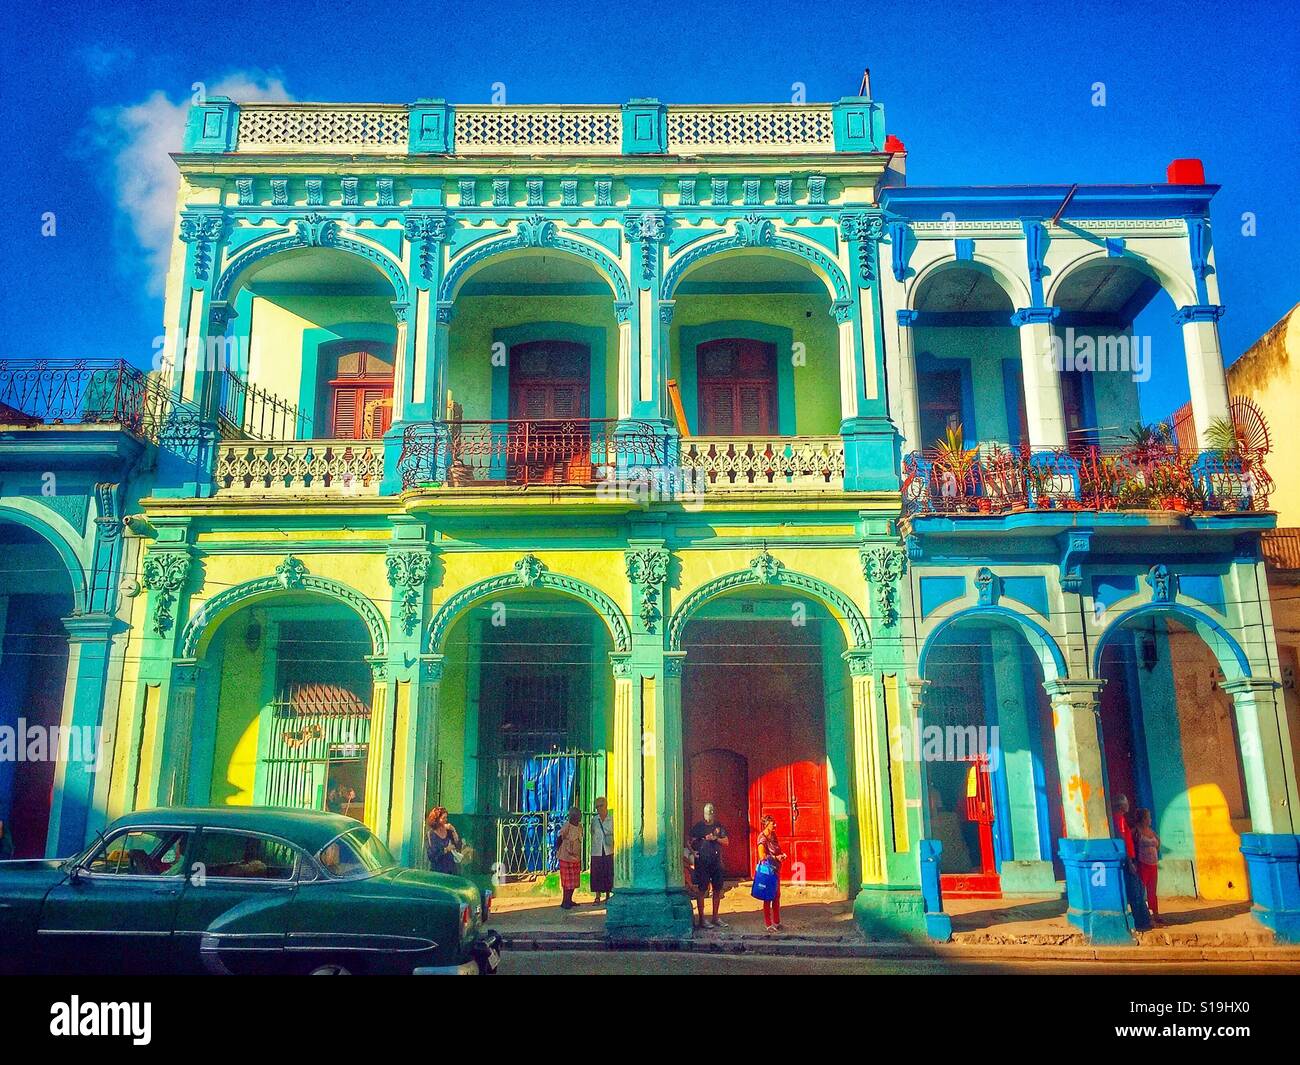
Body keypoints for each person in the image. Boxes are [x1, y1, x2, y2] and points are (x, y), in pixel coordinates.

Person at [1113, 795, 1152, 932]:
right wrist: (1130, 862)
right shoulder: (1120, 820)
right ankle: (1142, 922)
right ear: (1122, 806)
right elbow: (1123, 841)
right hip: (1128, 860)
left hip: (1128, 859)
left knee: (1136, 890)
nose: (1128, 805)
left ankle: (1143, 920)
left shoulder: (1120, 820)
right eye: (1126, 803)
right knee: (1136, 892)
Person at [688, 802, 729, 929]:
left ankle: (715, 917)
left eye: (711, 813)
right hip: (702, 862)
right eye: (707, 813)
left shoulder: (718, 827)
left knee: (717, 889)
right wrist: (693, 852)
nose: (709, 816)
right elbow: (688, 840)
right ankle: (702, 919)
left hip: (716, 862)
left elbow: (726, 841)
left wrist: (715, 838)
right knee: (702, 890)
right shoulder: (699, 827)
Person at [755, 814, 788, 933]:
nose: (775, 825)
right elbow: (762, 856)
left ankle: (777, 922)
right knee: (768, 896)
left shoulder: (773, 835)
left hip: (776, 870)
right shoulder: (762, 838)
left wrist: (782, 855)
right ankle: (768, 924)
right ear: (767, 825)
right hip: (768, 872)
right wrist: (776, 857)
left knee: (776, 896)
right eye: (772, 823)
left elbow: (777, 848)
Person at [1135, 807, 1162, 923]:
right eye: (1148, 817)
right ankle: (1144, 915)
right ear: (1144, 819)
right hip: (1143, 864)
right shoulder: (1136, 831)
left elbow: (1158, 842)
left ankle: (1155, 914)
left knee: (1152, 891)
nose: (1150, 819)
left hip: (1153, 865)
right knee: (1142, 891)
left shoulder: (1151, 831)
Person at [556, 807, 584, 909]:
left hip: (575, 857)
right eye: (579, 815)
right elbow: (559, 838)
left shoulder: (580, 826)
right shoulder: (567, 825)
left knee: (573, 881)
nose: (580, 816)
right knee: (567, 882)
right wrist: (558, 851)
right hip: (565, 857)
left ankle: (569, 900)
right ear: (573, 816)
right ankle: (565, 901)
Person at [589, 796, 614, 904]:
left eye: (601, 806)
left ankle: (608, 894)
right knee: (597, 873)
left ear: (606, 805)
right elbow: (592, 832)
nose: (599, 808)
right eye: (597, 806)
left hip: (608, 849)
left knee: (608, 872)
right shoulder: (594, 820)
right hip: (597, 850)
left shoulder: (612, 818)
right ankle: (597, 896)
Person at [425, 805, 463, 875]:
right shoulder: (431, 834)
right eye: (443, 818)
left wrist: (453, 830)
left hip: (451, 869)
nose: (446, 820)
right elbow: (432, 856)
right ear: (436, 819)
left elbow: (458, 845)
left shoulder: (448, 831)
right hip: (438, 870)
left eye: (446, 817)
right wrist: (446, 849)